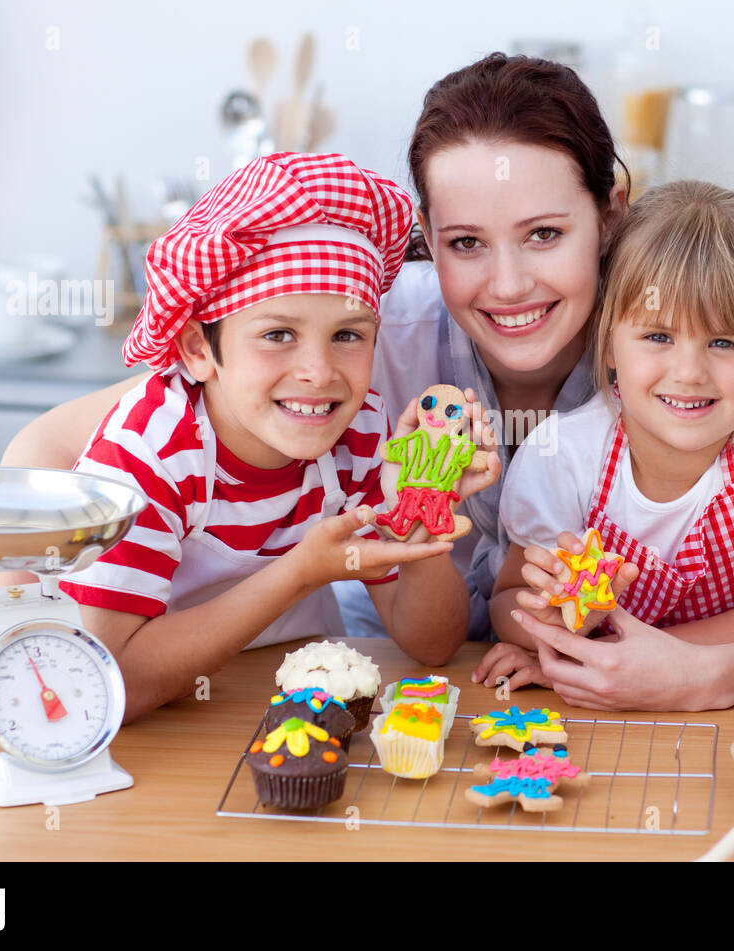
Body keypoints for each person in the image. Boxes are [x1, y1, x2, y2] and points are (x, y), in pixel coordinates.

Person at [2, 54, 734, 708]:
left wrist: (712, 668)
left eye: (545, 235)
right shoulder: (357, 340)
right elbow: (47, 447)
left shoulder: (673, 353)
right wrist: (40, 651)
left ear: (610, 214)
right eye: (466, 245)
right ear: (426, 244)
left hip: (589, 704)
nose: (507, 285)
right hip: (384, 691)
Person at [53, 152, 497, 723]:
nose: (319, 371)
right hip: (158, 734)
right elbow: (113, 683)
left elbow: (431, 646)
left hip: (290, 711)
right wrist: (299, 572)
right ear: (197, 349)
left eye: (347, 335)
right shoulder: (150, 455)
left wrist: (422, 513)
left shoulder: (359, 432)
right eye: (278, 334)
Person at [483, 180, 734, 708]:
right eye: (658, 337)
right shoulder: (561, 453)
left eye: (723, 342)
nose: (689, 372)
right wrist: (551, 626)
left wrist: (626, 658)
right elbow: (505, 605)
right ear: (609, 343)